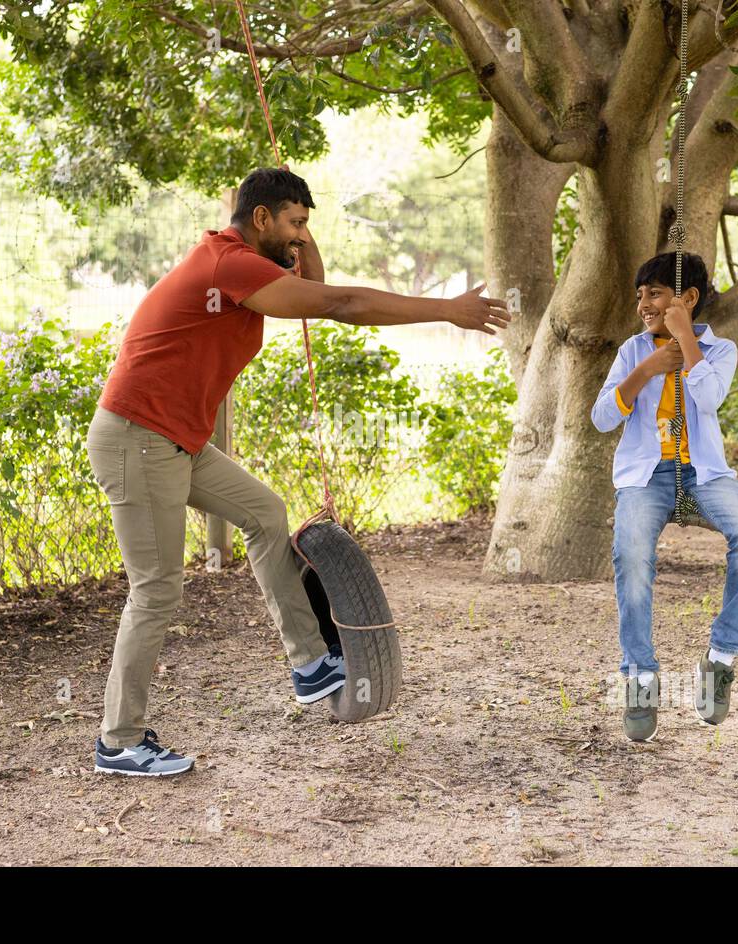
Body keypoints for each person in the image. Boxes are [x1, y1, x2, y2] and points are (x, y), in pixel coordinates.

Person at [86, 166, 510, 775]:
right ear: (260, 218)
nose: (301, 237)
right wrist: (447, 309)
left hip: (176, 440)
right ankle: (119, 740)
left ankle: (310, 662)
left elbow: (317, 285)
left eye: (306, 226)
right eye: (294, 222)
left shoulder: (242, 257)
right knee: (156, 589)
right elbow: (337, 302)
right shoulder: (229, 266)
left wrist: (299, 239)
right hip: (139, 439)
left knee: (265, 514)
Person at [590, 252, 738, 743]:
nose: (644, 305)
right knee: (630, 553)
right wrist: (648, 368)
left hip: (702, 474)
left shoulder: (720, 349)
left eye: (654, 293)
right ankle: (640, 677)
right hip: (646, 475)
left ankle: (720, 657)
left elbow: (710, 398)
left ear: (687, 298)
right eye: (639, 296)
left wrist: (687, 343)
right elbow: (602, 417)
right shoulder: (633, 351)